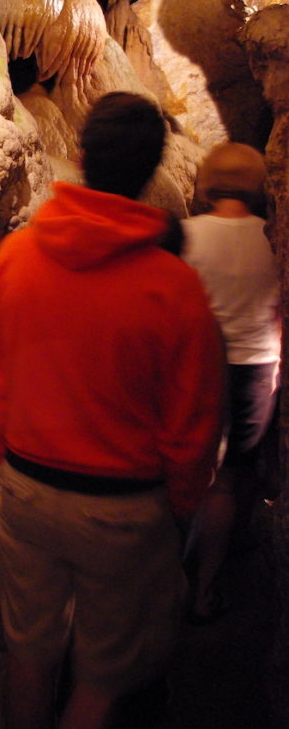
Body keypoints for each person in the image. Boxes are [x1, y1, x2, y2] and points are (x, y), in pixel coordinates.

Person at [0, 91, 224, 729]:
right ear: (153, 170)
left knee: (28, 658)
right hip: (126, 509)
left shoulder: (15, 258)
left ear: (78, 155)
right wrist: (179, 504)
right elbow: (194, 422)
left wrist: (14, 454)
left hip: (27, 490)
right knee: (103, 678)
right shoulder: (175, 289)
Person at [181, 142, 281, 623]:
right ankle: (206, 588)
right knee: (230, 480)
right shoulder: (273, 238)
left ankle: (164, 583)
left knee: (182, 474)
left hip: (197, 367)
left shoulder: (185, 236)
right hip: (256, 367)